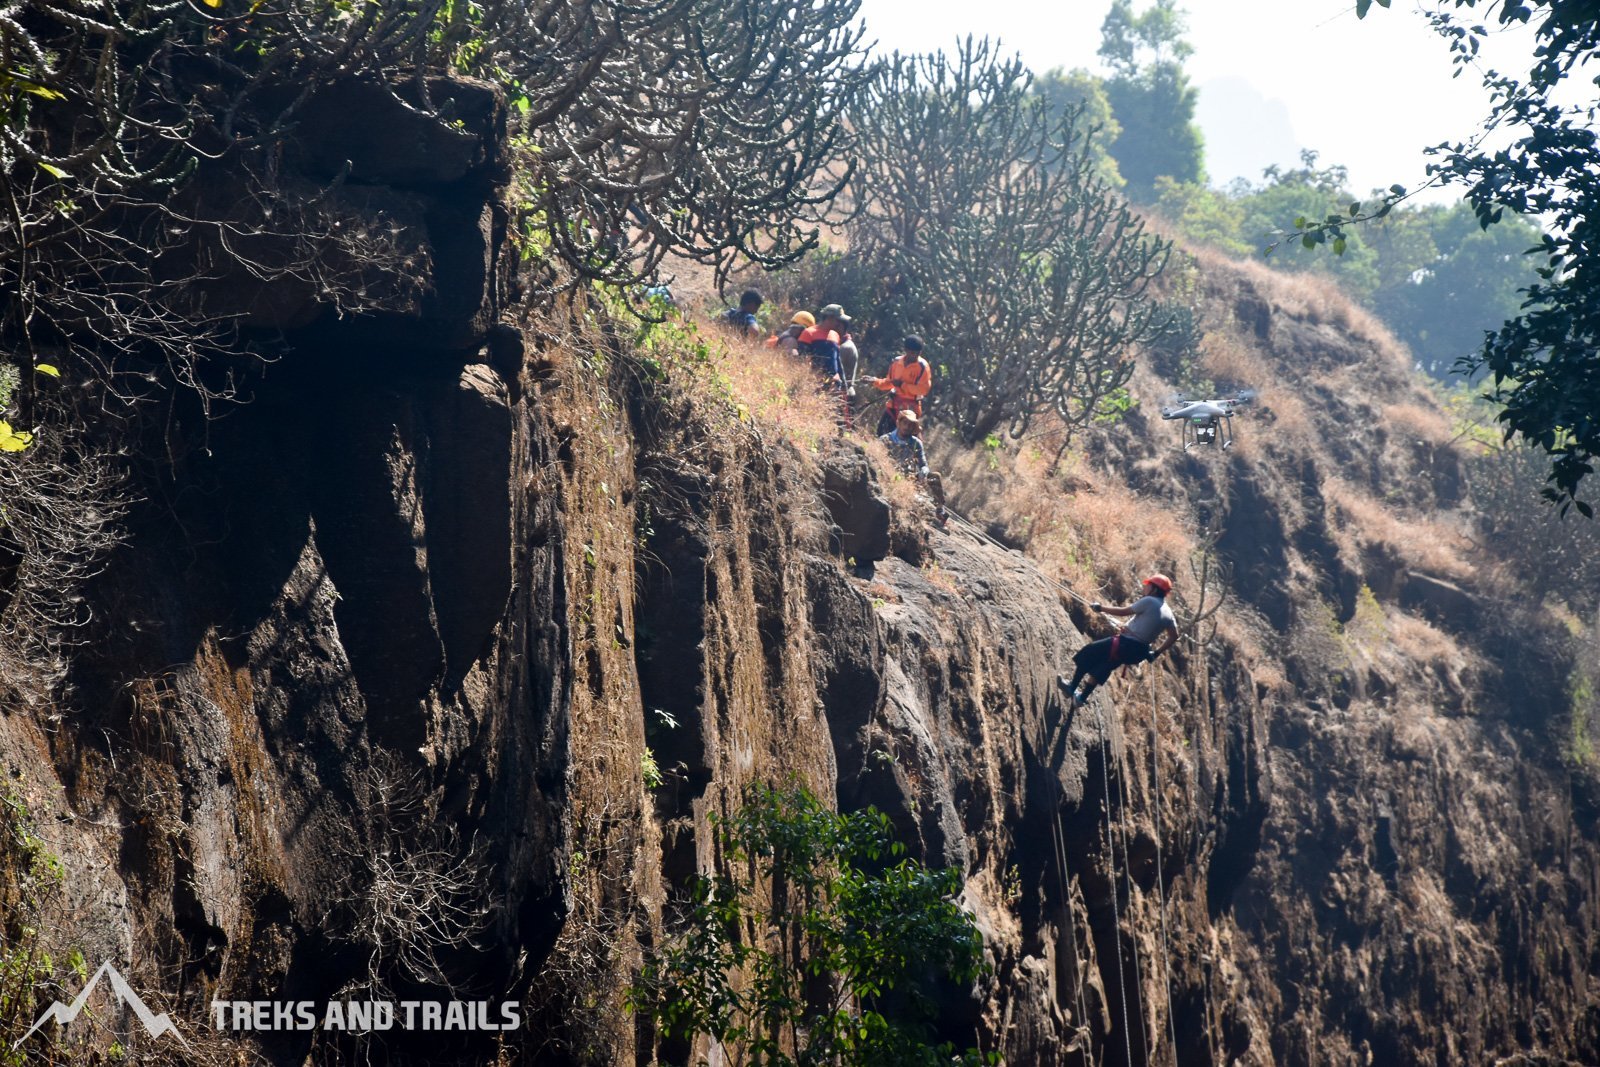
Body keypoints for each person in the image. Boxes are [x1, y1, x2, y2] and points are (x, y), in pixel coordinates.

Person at [1058, 575, 1178, 707]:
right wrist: (1156, 653)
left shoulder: (1149, 601)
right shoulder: (1168, 612)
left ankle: (1072, 687)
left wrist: (1101, 608)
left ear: (1154, 589)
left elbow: (1123, 612)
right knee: (1104, 665)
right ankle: (1081, 699)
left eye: (1148, 585)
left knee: (1089, 652)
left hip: (1125, 644)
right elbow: (1174, 636)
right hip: (1137, 653)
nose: (1145, 587)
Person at [879, 410, 946, 525]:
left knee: (934, 477)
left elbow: (923, 464)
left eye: (910, 425)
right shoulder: (885, 439)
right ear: (898, 423)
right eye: (905, 423)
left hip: (909, 479)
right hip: (888, 476)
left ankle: (940, 511)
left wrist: (923, 473)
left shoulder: (916, 443)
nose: (907, 427)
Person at [870, 334, 933, 436]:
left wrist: (903, 385)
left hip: (911, 409)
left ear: (920, 352)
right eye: (911, 352)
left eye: (916, 353)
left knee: (906, 440)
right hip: (893, 405)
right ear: (906, 350)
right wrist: (874, 381)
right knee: (881, 434)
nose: (913, 355)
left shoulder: (923, 367)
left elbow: (924, 389)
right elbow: (888, 383)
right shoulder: (896, 362)